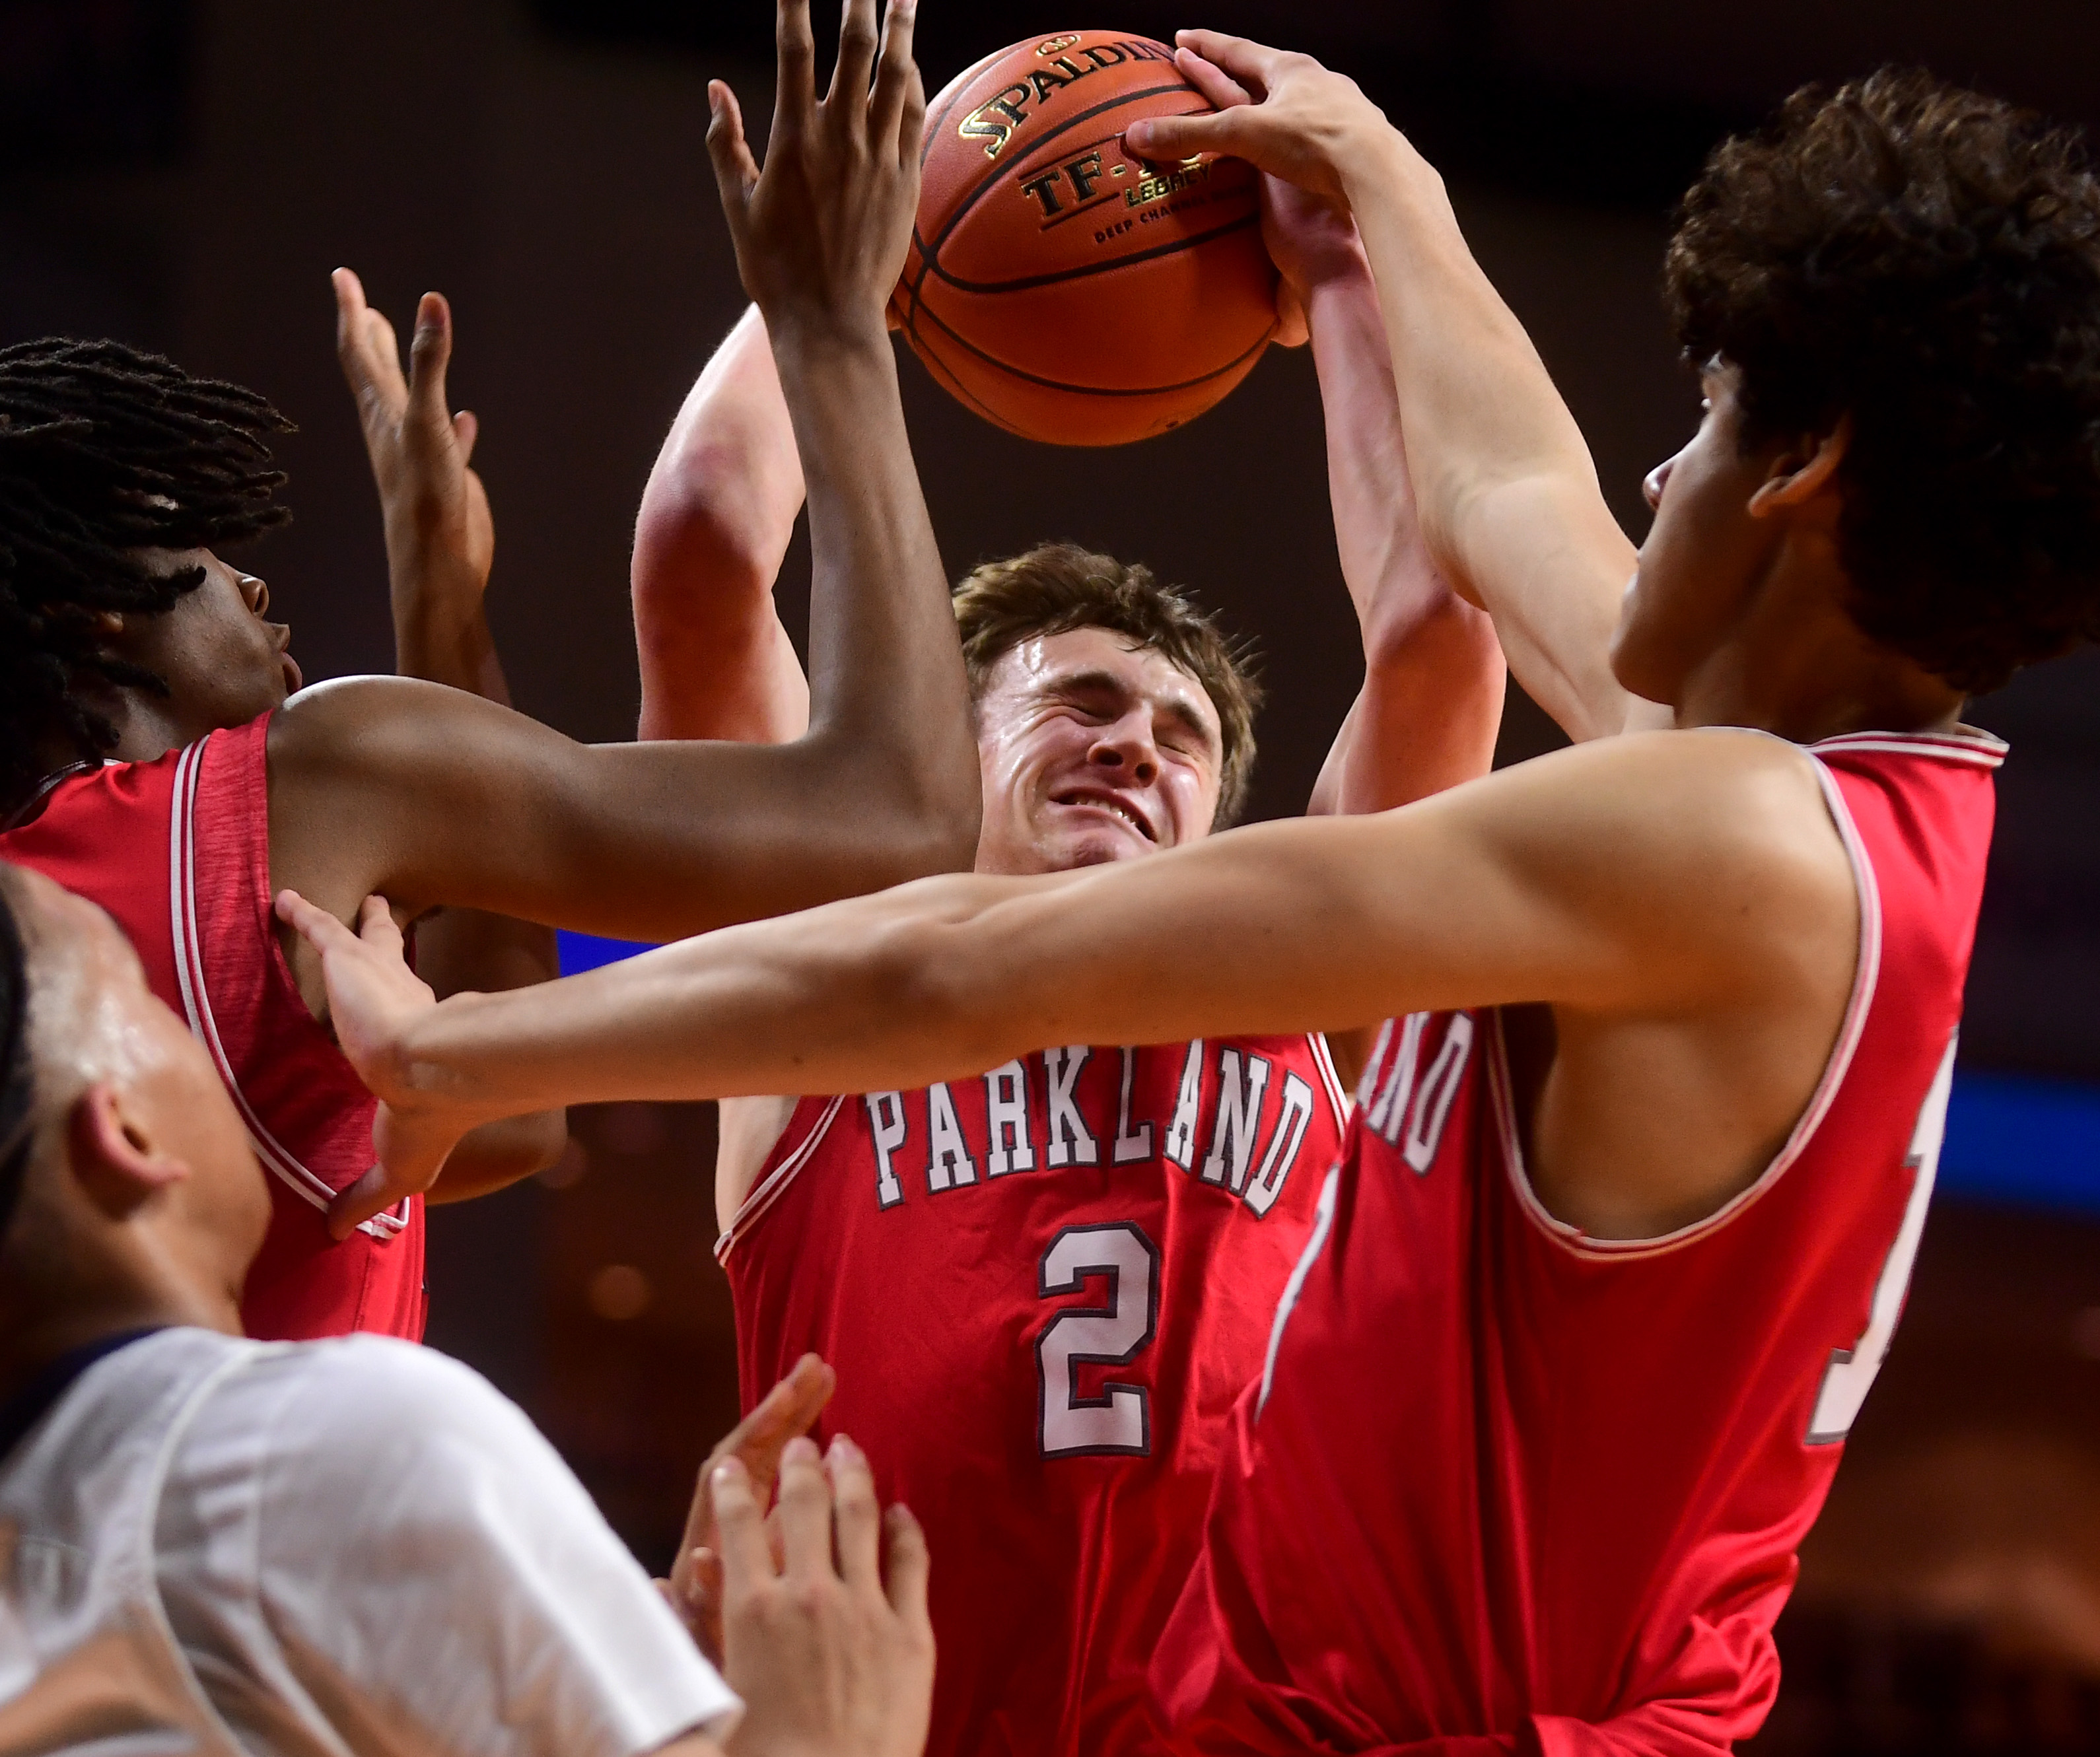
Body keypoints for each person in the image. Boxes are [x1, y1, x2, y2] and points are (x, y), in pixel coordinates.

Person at [279, 49, 2100, 1756]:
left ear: (1801, 474)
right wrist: (1372, 197)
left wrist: (464, 1049)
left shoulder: (1712, 844)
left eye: (1700, 427)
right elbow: (1499, 504)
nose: (1650, 470)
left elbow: (963, 964)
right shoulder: (1784, 808)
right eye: (1074, 703)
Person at [614, 153, 1502, 1756]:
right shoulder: (821, 975)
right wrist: (848, 278)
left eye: (1177, 736)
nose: (1130, 748)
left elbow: (1441, 623)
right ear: (951, 758)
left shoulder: (1311, 997)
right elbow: (700, 542)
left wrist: (1347, 272)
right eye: (1078, 705)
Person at [0, 0, 979, 1343]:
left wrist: (438, 604)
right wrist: (831, 334)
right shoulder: (303, 774)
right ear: (90, 609)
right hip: (286, 1548)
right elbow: (896, 820)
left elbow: (509, 1111)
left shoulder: (37, 924)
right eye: (202, 553)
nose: (253, 580)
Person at [0, 858, 932, 1757]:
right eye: (143, 990)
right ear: (123, 1132)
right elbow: (874, 812)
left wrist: (640, 1686)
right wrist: (824, 1733)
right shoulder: (322, 1442)